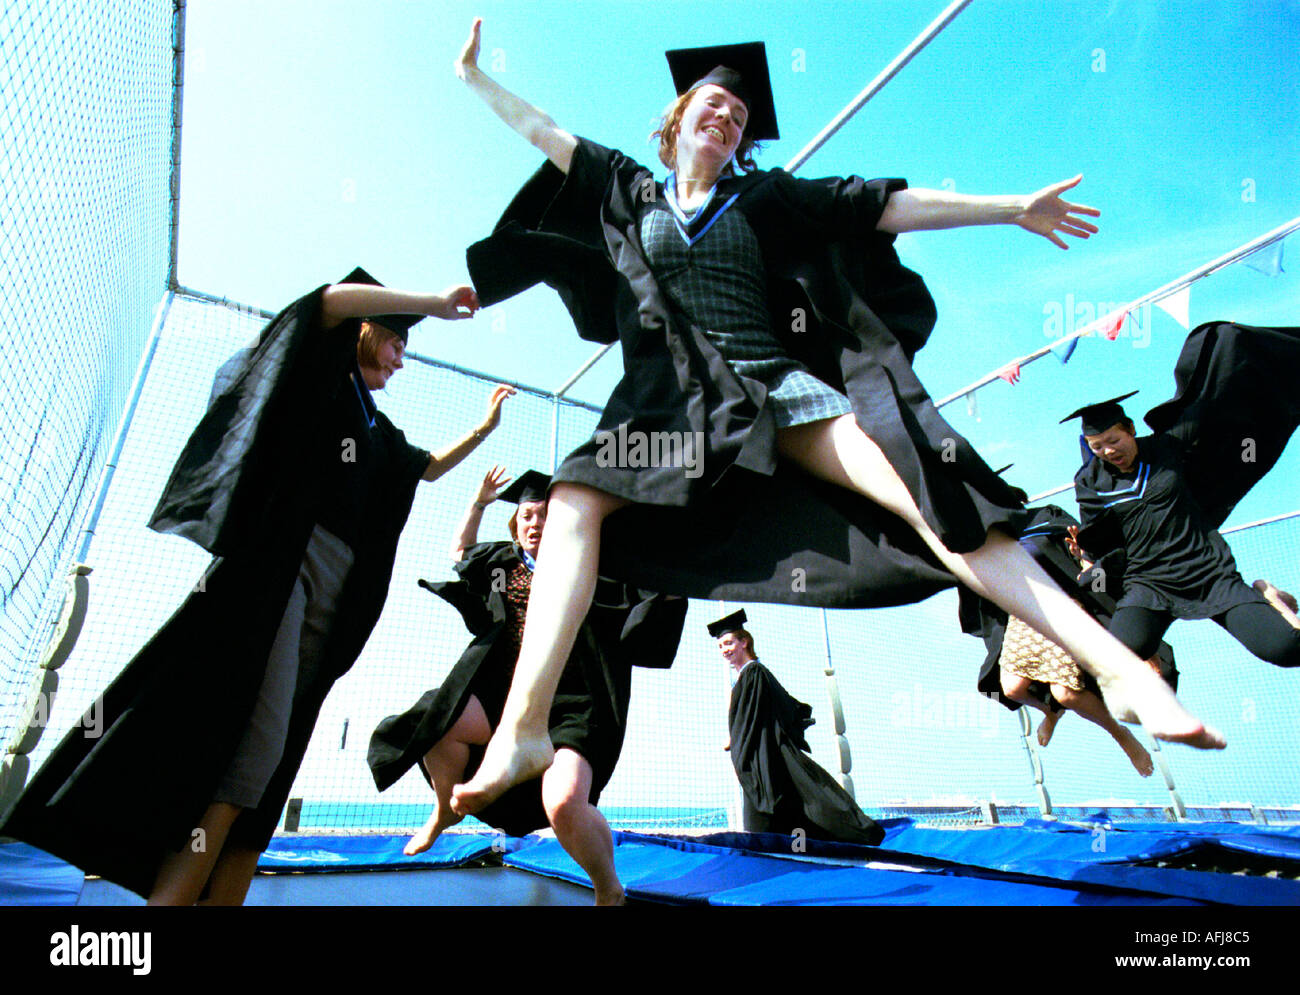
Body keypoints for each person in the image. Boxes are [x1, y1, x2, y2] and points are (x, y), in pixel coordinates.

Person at [448, 21, 1224, 817]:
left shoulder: (763, 196)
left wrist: (1012, 207)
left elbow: (878, 206)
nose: (728, 118)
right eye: (713, 105)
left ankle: (1120, 666)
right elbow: (546, 132)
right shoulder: (627, 188)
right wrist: (476, 77)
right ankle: (526, 725)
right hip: (670, 407)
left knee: (936, 504)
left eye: (740, 117)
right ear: (678, 118)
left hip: (779, 390)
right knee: (575, 498)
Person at [1, 267, 511, 905]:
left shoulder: (376, 428)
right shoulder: (323, 380)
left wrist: (483, 433)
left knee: (268, 774)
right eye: (396, 343)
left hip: (333, 603)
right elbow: (324, 303)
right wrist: (430, 305)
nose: (402, 359)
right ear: (367, 330)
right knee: (255, 752)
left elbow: (426, 470)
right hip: (280, 581)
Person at [367, 469, 686, 906]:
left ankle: (608, 886)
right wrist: (479, 503)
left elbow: (652, 602)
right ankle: (445, 809)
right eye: (527, 516)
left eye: (546, 515)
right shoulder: (502, 564)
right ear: (515, 527)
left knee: (564, 803)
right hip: (506, 695)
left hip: (579, 703)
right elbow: (460, 552)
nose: (535, 523)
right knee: (437, 720)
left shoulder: (598, 566)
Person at [1065, 332, 1300, 671]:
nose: (1108, 451)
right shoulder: (1089, 480)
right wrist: (1087, 558)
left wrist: (1227, 340)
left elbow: (1210, 399)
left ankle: (1267, 596)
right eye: (1097, 446)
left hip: (1207, 571)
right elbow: (1096, 531)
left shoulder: (1168, 447)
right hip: (1146, 582)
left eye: (1113, 440)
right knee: (1114, 661)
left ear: (1130, 429)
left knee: (1284, 650)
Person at [713, 611, 885, 845]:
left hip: (762, 752)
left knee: (803, 794)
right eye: (721, 645)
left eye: (729, 642)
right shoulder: (749, 675)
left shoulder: (753, 672)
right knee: (797, 796)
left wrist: (737, 745)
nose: (725, 649)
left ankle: (855, 833)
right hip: (765, 750)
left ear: (744, 642)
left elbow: (749, 719)